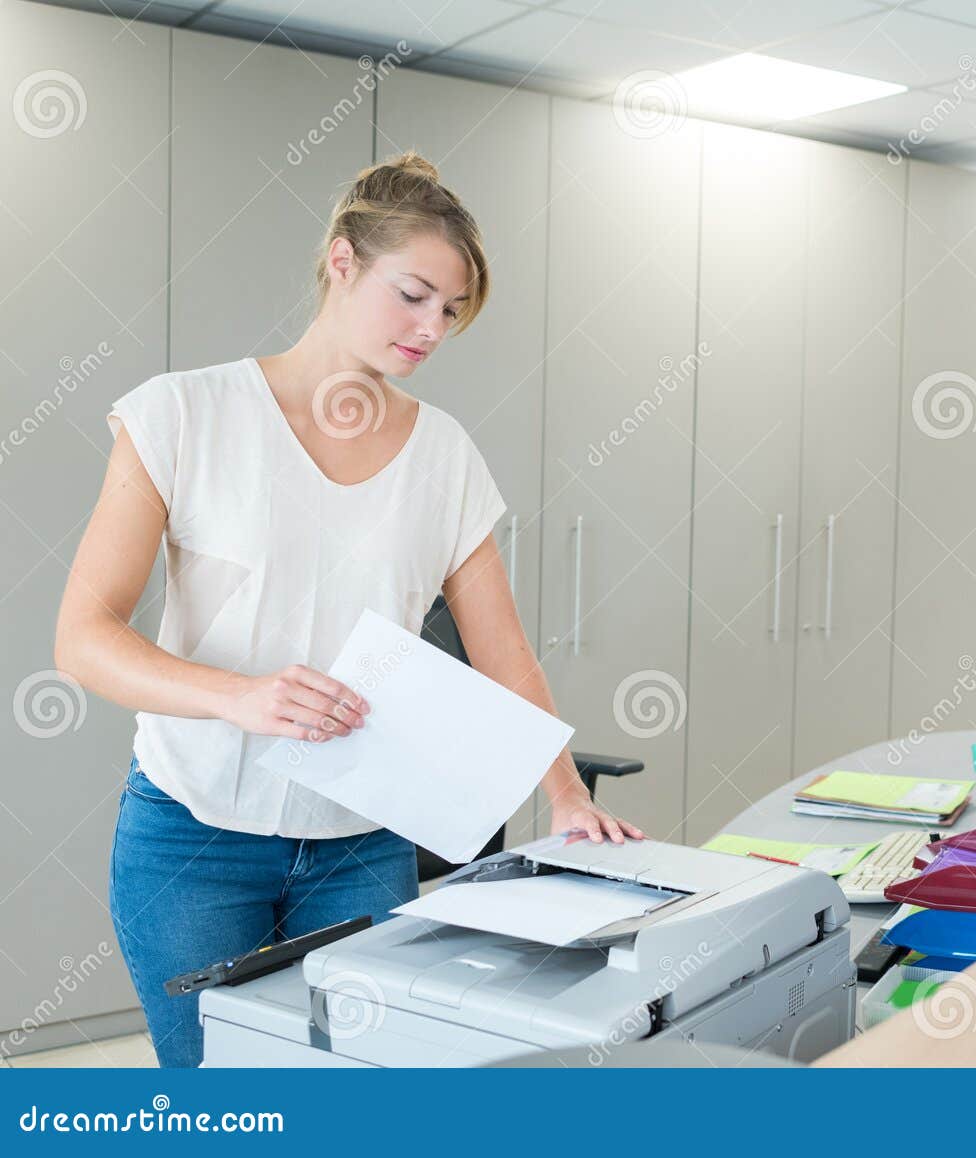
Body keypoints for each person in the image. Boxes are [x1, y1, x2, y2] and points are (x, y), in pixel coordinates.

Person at [53, 151, 643, 1068]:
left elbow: (506, 656)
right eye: (412, 294)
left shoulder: (443, 455)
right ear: (342, 263)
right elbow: (83, 639)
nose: (431, 328)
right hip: (191, 836)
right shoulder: (183, 415)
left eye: (451, 311)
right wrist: (235, 697)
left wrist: (564, 795)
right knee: (224, 1099)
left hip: (359, 843)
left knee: (354, 1094)